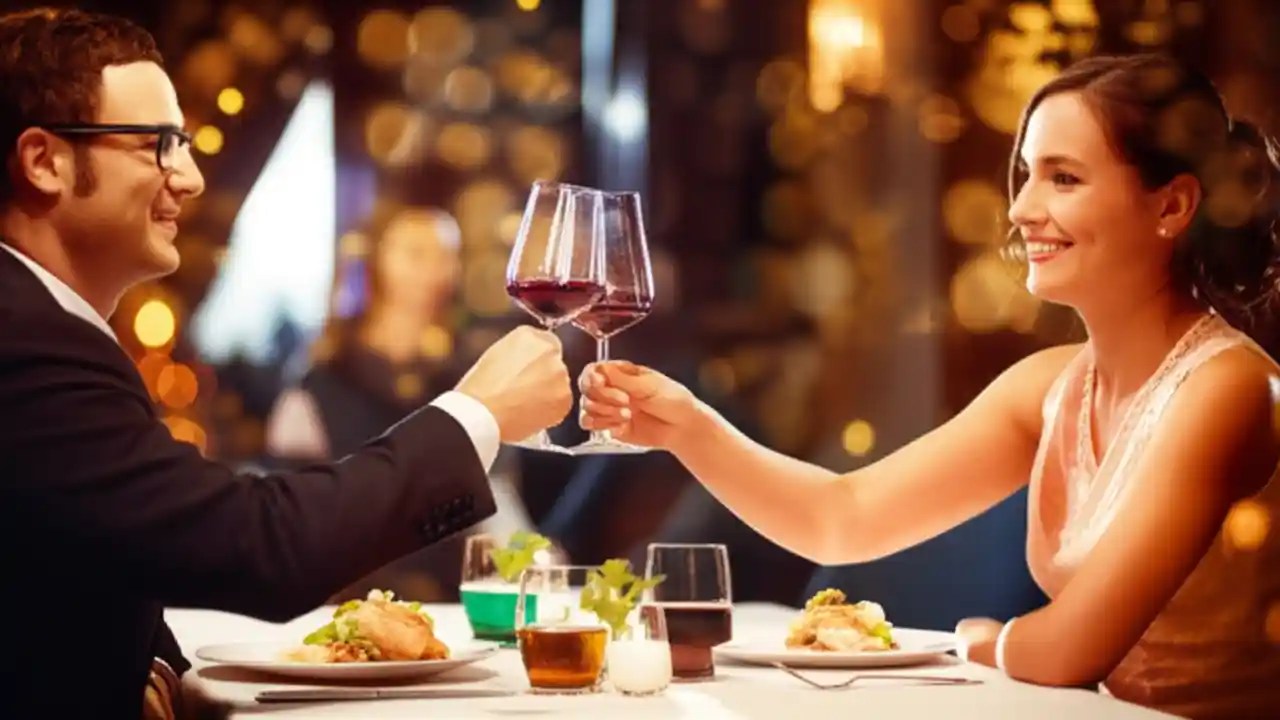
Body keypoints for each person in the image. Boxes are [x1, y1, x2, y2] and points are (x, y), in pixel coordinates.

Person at [581, 53, 1280, 719]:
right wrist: (687, 428)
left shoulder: (1229, 387)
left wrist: (982, 639)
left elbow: (1068, 651)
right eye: (1026, 175)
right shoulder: (1047, 387)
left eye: (1063, 179)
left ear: (1172, 207)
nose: (1022, 210)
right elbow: (842, 518)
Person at [0, 8, 572, 719]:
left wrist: (155, 671)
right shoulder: (23, 339)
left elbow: (107, 563)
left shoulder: (44, 326)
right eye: (160, 145)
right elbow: (255, 545)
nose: (191, 177)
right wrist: (476, 414)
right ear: (43, 161)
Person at [265, 205, 538, 602]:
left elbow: (498, 497)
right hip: (348, 594)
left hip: (453, 594)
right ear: (377, 261)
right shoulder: (324, 383)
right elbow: (296, 515)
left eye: (445, 254)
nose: (433, 270)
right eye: (415, 253)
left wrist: (531, 564)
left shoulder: (470, 376)